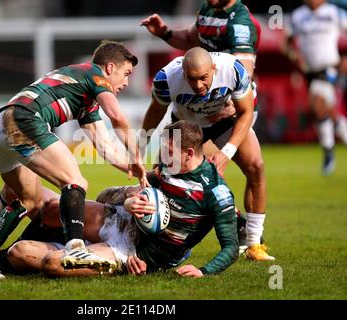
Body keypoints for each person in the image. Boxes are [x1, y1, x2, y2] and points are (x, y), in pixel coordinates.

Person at [0, 40, 149, 280]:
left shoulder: (84, 96)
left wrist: (128, 165)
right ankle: (75, 249)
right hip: (25, 119)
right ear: (110, 68)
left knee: (29, 200)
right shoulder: (96, 75)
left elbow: (104, 146)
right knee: (76, 182)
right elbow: (118, 118)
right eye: (126, 74)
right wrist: (137, 154)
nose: (126, 82)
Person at [0, 121, 240, 277]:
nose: (162, 160)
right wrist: (130, 198)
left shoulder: (216, 192)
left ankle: (4, 260)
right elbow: (123, 191)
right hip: (120, 221)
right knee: (49, 207)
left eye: (168, 153)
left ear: (189, 155)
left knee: (43, 261)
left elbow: (230, 247)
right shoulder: (165, 169)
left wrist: (203, 271)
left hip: (132, 252)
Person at [140, 0, 271, 260]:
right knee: (166, 177)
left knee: (255, 165)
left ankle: (254, 242)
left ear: (213, 69)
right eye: (193, 80)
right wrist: (165, 32)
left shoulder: (239, 26)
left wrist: (227, 146)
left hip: (225, 115)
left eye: (204, 79)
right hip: (187, 122)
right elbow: (190, 39)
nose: (199, 85)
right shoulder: (169, 76)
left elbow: (244, 74)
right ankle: (151, 240)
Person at [284, 0, 347, 175]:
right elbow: (286, 42)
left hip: (329, 68)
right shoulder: (298, 15)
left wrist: (345, 59)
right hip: (309, 71)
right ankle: (342, 130)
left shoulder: (334, 12)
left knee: (316, 104)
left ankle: (328, 153)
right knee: (327, 111)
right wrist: (293, 56)